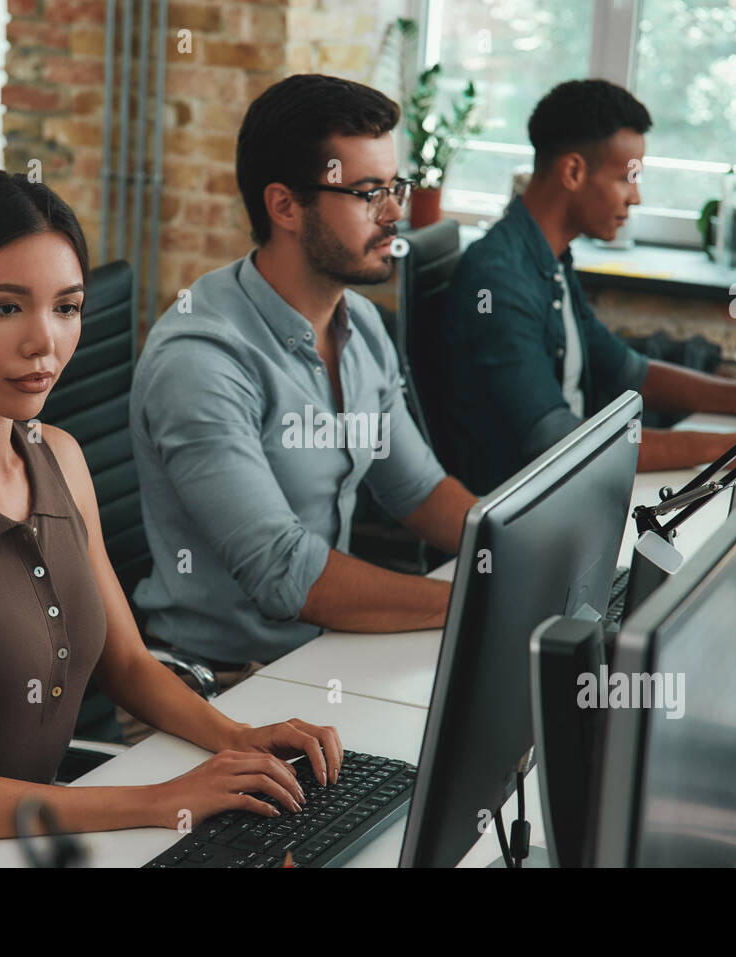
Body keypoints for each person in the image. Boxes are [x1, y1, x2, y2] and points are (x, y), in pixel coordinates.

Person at [0, 171, 339, 867]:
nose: (45, 342)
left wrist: (235, 736)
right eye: (5, 309)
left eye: (66, 308)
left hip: (38, 833)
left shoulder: (57, 454)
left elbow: (124, 661)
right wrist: (161, 797)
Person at [126, 74, 477, 722]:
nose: (395, 214)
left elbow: (418, 491)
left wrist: (516, 551)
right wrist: (481, 598)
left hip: (322, 661)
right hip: (216, 693)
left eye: (394, 187)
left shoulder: (361, 325)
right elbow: (288, 573)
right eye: (368, 193)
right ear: (285, 207)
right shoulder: (202, 360)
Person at [438, 79, 736, 495]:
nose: (636, 198)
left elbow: (629, 371)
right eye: (627, 178)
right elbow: (560, 443)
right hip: (533, 510)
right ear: (573, 171)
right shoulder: (498, 280)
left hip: (571, 488)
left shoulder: (550, 259)